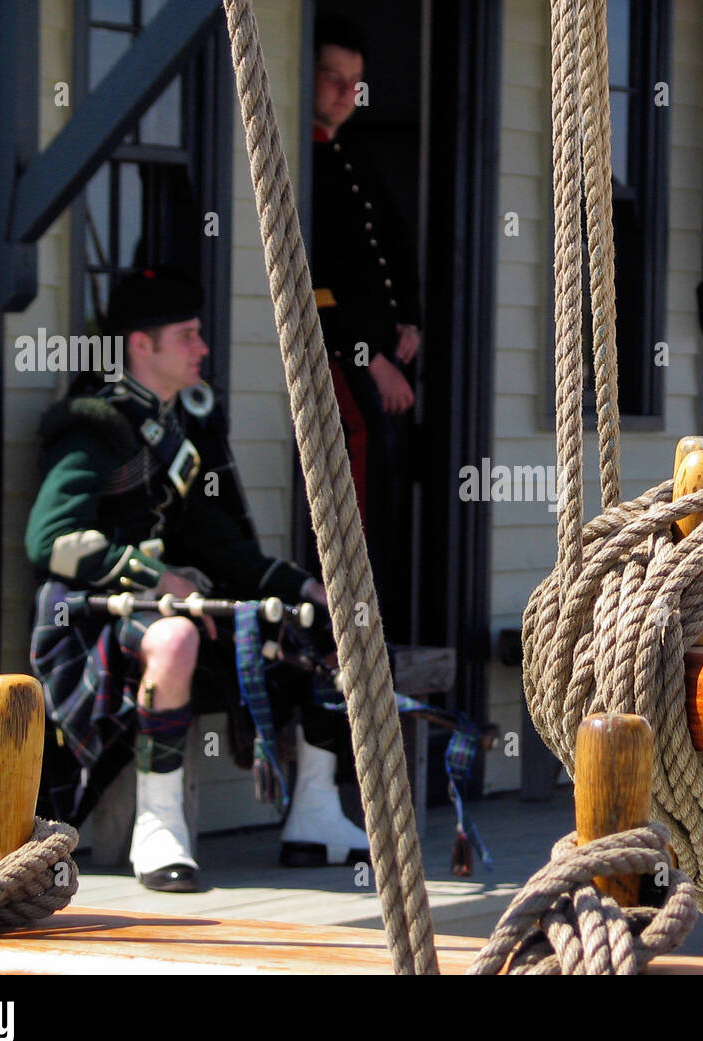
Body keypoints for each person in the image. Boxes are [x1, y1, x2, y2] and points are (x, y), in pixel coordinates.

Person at [25, 267, 370, 892]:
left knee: (326, 629)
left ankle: (315, 813)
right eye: (187, 336)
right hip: (92, 613)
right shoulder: (94, 425)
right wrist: (160, 580)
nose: (202, 348)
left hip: (163, 603)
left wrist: (301, 587)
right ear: (141, 345)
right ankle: (159, 826)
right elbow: (49, 542)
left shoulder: (173, 425)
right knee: (175, 640)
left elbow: (216, 540)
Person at [309, 14, 420, 631]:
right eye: (332, 78)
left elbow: (393, 251)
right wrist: (369, 358)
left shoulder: (354, 158)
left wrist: (409, 323)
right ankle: (352, 620)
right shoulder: (303, 161)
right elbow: (316, 284)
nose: (347, 93)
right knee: (361, 457)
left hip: (382, 353)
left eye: (355, 81)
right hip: (339, 357)